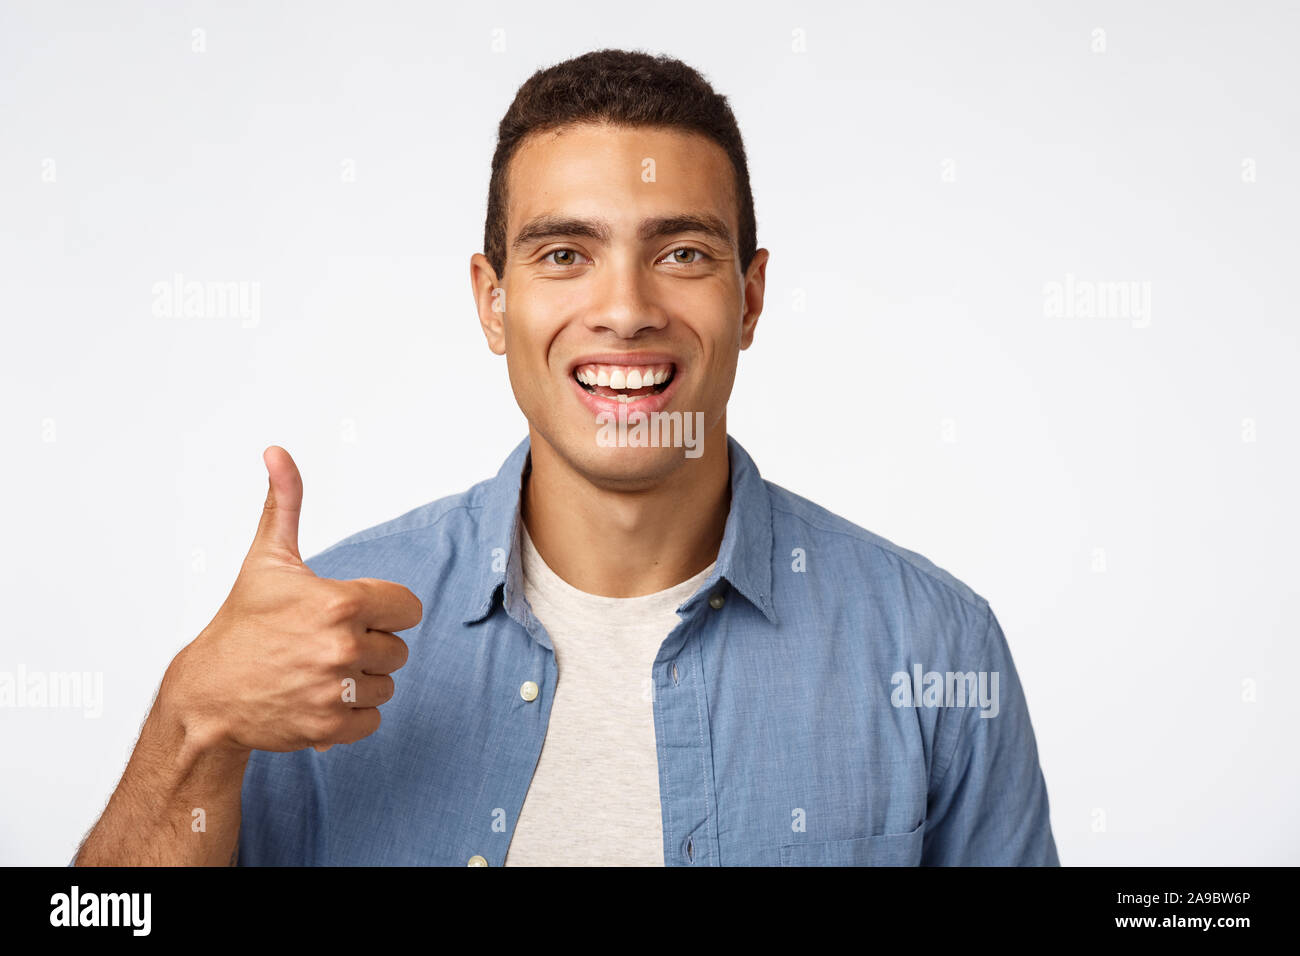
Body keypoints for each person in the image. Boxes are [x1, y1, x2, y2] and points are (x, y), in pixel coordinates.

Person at [72, 48, 1057, 867]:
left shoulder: (934, 646)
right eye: (562, 254)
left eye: (681, 252)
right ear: (491, 301)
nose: (625, 308)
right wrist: (194, 717)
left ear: (749, 298)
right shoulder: (316, 642)